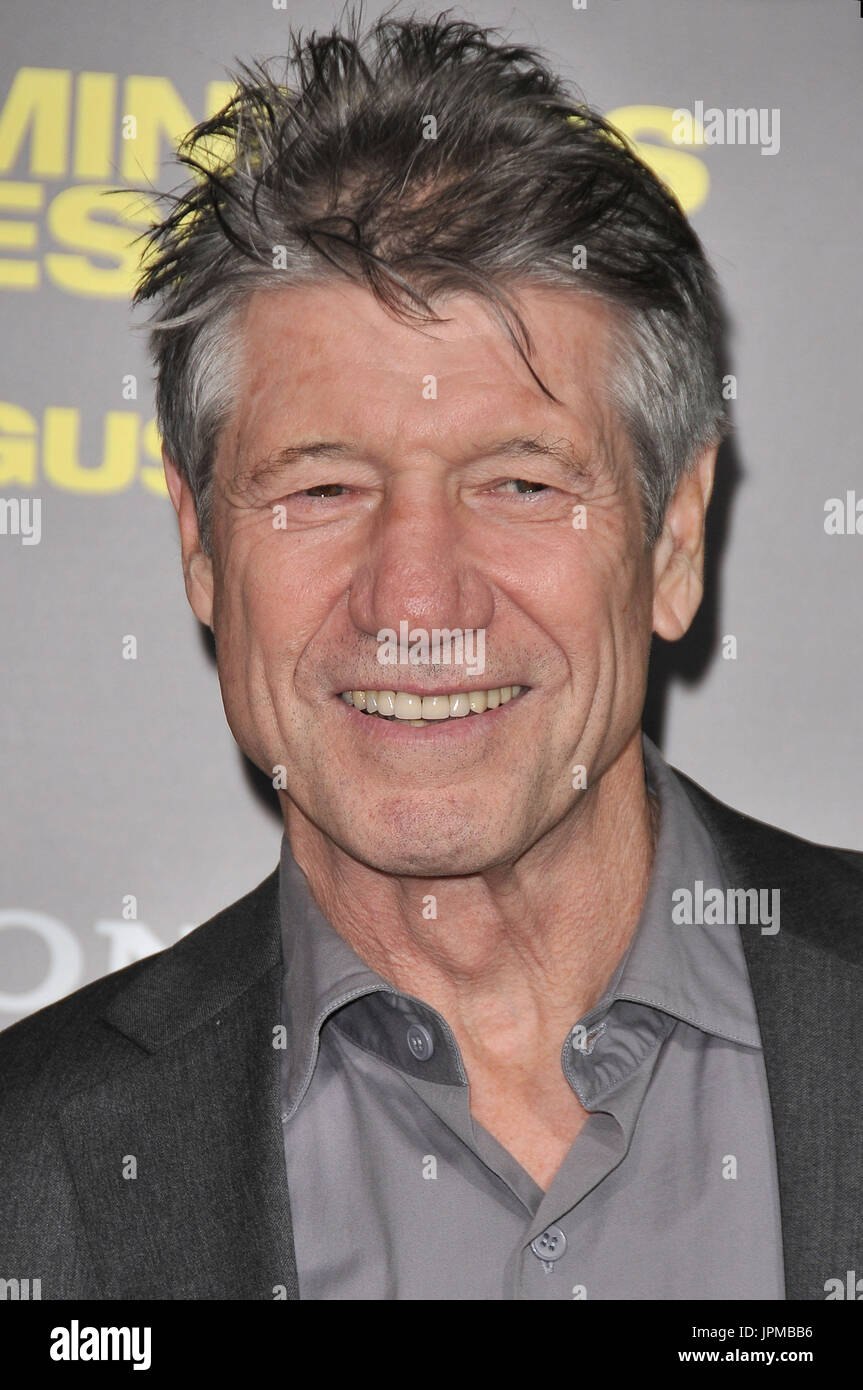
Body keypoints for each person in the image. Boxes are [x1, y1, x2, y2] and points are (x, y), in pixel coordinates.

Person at [1, 10, 860, 1302]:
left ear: (674, 541)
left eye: (518, 483)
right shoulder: (28, 1167)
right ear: (199, 550)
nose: (413, 598)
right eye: (324, 488)